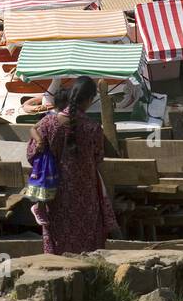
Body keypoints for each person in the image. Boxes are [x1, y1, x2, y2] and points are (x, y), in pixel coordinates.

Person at [26, 77, 119, 255]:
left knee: (58, 235)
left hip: (55, 193)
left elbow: (31, 154)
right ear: (90, 99)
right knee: (88, 240)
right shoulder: (93, 128)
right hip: (86, 194)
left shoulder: (48, 123)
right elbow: (98, 157)